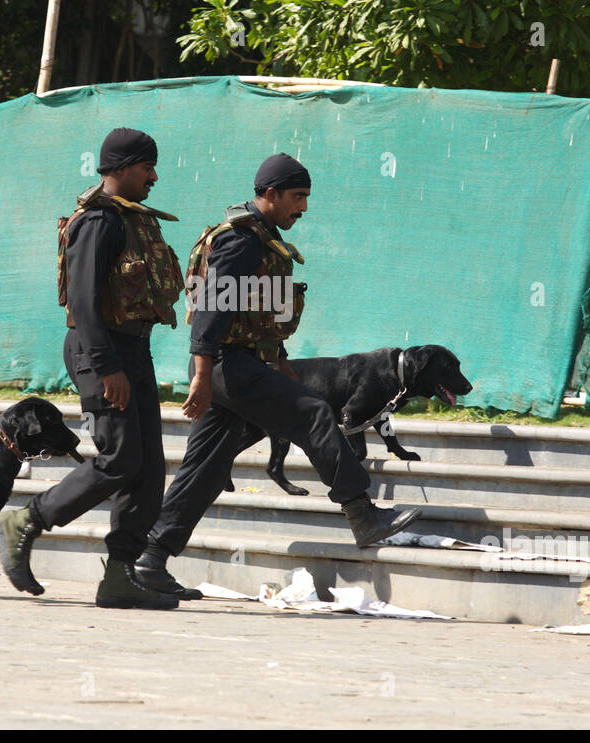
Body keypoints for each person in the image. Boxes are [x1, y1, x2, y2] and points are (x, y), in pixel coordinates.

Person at [134, 153, 420, 599]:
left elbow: (257, 312)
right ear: (270, 194)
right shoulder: (242, 241)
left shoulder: (256, 237)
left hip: (236, 363)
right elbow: (212, 306)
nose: (303, 208)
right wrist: (202, 376)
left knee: (205, 470)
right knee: (315, 414)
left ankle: (149, 559)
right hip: (228, 365)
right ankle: (363, 514)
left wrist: (280, 361)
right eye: (297, 197)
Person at [0, 128, 185, 609]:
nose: (154, 177)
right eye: (146, 168)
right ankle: (25, 520)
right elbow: (82, 299)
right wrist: (106, 367)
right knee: (119, 457)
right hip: (99, 351)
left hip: (132, 350)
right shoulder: (98, 221)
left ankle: (120, 574)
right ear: (119, 168)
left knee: (147, 469)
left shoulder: (132, 218)